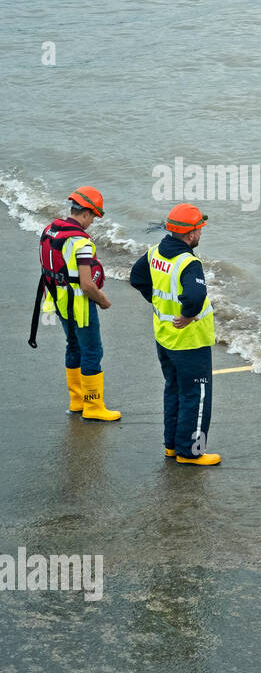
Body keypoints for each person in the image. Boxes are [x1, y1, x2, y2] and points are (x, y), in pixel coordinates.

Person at [129, 203, 220, 465]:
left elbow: (137, 278)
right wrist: (189, 315)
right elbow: (195, 295)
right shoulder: (189, 262)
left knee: (174, 390)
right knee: (197, 396)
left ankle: (172, 446)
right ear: (190, 234)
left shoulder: (155, 252)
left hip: (164, 337)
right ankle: (191, 452)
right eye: (199, 229)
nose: (200, 234)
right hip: (189, 341)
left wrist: (155, 302)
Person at [36, 187, 119, 421]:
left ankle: (77, 401)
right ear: (85, 212)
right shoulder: (80, 241)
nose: (92, 222)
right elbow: (86, 284)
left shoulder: (49, 230)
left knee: (73, 345)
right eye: (93, 216)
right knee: (92, 350)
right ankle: (94, 407)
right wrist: (103, 301)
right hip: (80, 305)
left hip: (57, 300)